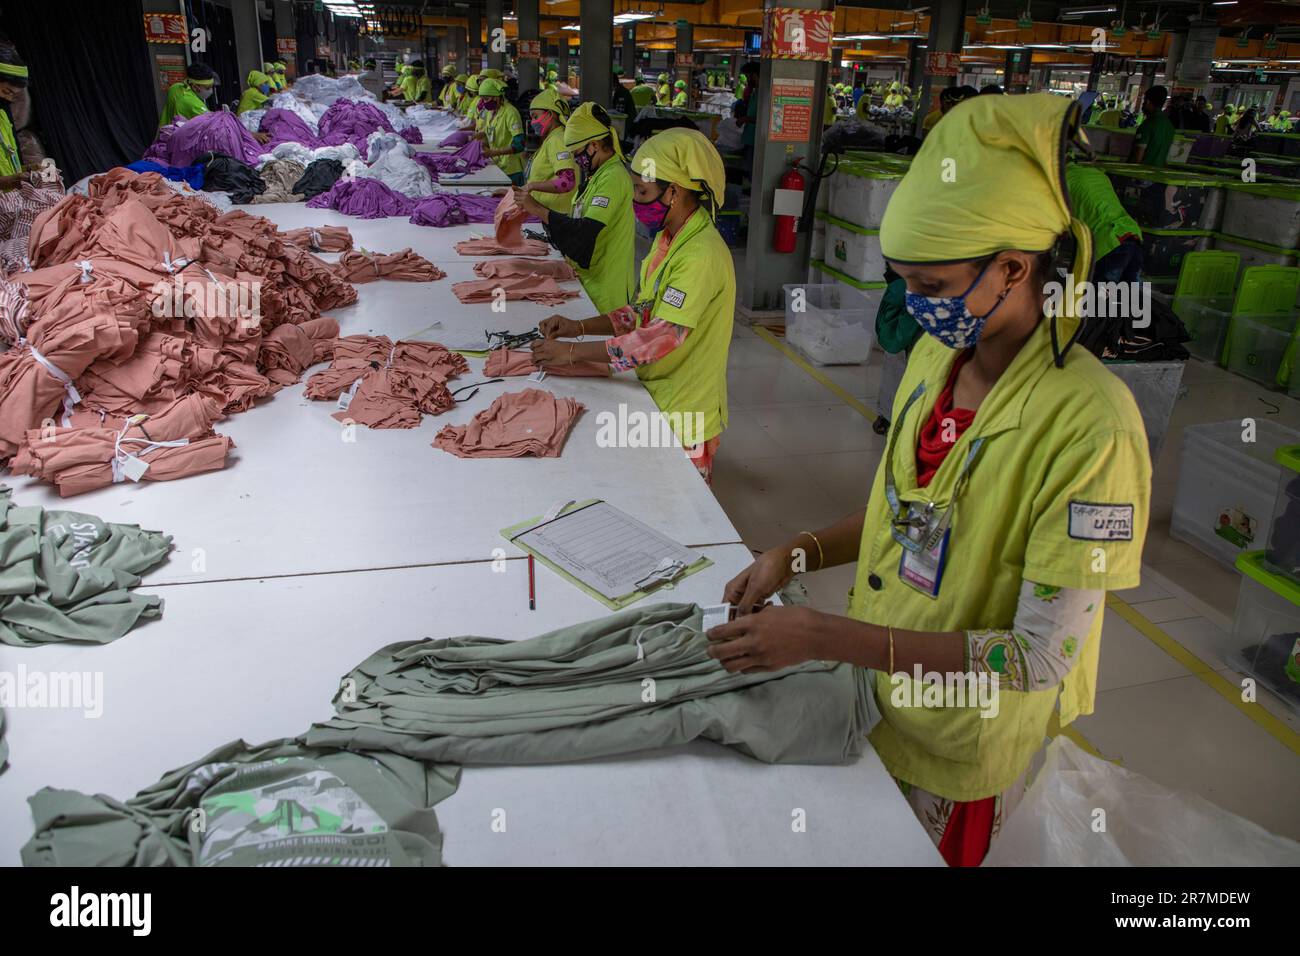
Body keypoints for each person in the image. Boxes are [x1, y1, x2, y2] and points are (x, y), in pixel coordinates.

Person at [704, 93, 1150, 866]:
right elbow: (900, 515)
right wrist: (797, 552)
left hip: (960, 730)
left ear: (1013, 267)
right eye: (903, 281)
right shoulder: (933, 361)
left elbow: (1041, 657)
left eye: (934, 288)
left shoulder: (1091, 427)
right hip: (884, 691)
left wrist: (821, 636)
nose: (914, 306)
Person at [530, 127, 734, 484]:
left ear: (673, 191)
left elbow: (660, 337)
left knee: (682, 511)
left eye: (642, 191)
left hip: (686, 406)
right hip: (659, 388)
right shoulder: (668, 239)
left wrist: (572, 354)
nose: (636, 199)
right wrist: (578, 328)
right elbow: (643, 312)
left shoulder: (701, 255)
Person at [515, 102, 635, 314]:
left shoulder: (612, 178)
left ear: (594, 145)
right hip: (588, 276)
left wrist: (537, 209)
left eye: (577, 153)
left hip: (605, 289)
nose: (576, 161)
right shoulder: (596, 174)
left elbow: (584, 232)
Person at [1066, 163, 1142, 284]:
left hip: (1107, 241)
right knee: (1128, 298)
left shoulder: (1061, 182)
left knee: (1098, 299)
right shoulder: (1097, 174)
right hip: (1131, 233)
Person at [520, 87, 578, 215]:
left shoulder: (558, 140)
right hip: (545, 211)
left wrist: (531, 186)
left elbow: (567, 182)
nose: (533, 122)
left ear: (550, 114)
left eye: (536, 116)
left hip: (556, 214)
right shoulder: (551, 138)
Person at [472, 77, 525, 184]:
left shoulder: (510, 113)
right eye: (482, 99)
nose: (483, 102)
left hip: (511, 168)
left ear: (497, 97)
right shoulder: (490, 112)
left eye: (486, 99)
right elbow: (491, 131)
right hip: (497, 164)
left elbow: (519, 144)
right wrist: (478, 137)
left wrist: (494, 152)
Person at [160, 62, 216, 127]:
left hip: (164, 134)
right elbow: (214, 124)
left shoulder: (175, 87)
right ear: (195, 87)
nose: (211, 90)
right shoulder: (193, 104)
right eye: (208, 87)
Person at [1130, 84, 1174, 167]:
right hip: (1157, 174)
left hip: (1141, 174)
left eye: (1144, 101)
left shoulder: (1148, 124)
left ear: (1148, 101)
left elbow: (1137, 159)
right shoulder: (1169, 125)